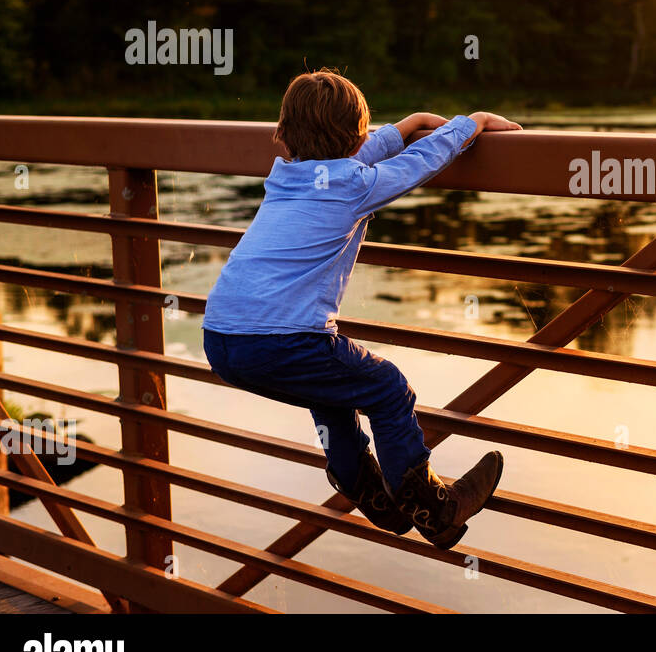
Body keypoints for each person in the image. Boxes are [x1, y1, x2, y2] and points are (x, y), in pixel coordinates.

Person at [202, 68, 521, 549]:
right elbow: (421, 163)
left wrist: (404, 125)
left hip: (221, 339)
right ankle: (433, 509)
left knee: (330, 391)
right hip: (281, 341)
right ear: (357, 137)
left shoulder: (287, 175)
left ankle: (377, 499)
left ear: (283, 135)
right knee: (387, 389)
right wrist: (468, 123)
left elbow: (347, 159)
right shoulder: (354, 185)